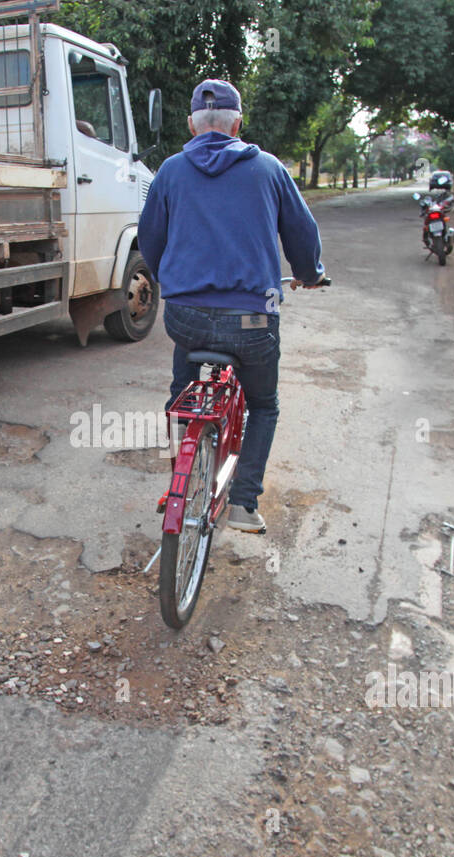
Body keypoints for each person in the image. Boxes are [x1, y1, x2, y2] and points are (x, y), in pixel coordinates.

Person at [138, 79, 325, 534]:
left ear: (191, 125)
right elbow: (301, 233)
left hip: (186, 318)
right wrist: (310, 272)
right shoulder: (269, 169)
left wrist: (175, 282)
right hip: (253, 320)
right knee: (264, 405)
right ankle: (243, 503)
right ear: (238, 124)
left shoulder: (170, 171)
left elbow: (150, 240)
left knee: (182, 388)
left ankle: (178, 477)